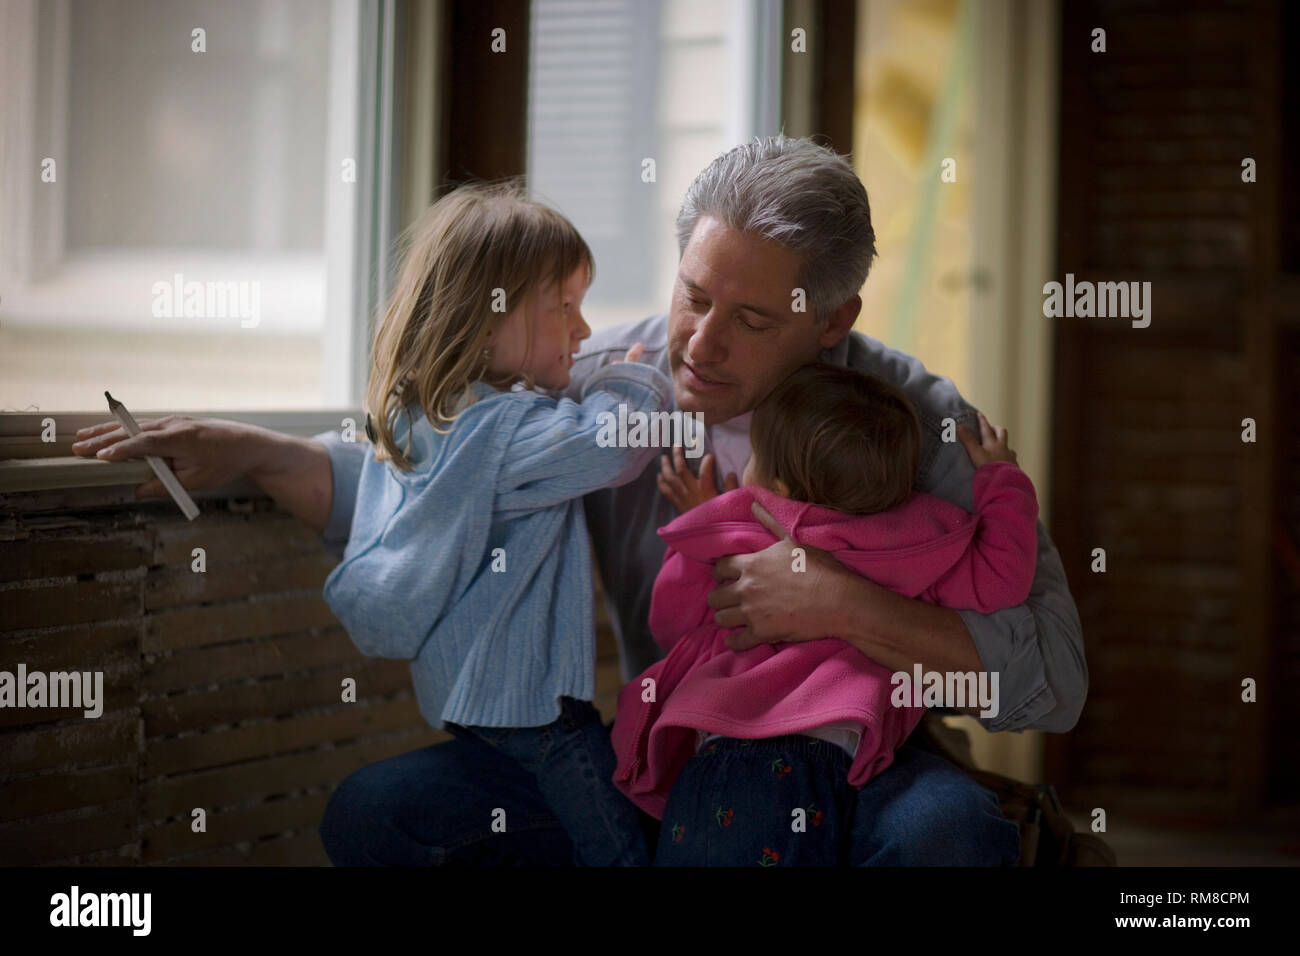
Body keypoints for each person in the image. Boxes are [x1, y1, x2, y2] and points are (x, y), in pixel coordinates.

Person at [71, 135, 1086, 866]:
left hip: (853, 750)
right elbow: (436, 480)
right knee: (379, 814)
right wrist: (249, 448)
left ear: (833, 320)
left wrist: (839, 604)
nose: (699, 346)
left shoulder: (916, 422)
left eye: (748, 320)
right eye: (693, 295)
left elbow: (1052, 681)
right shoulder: (610, 384)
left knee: (950, 834)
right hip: (669, 748)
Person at [319, 182, 668, 865]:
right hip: (545, 718)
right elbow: (616, 445)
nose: (584, 329)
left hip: (470, 710)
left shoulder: (419, 423)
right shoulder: (504, 433)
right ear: (486, 320)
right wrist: (628, 383)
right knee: (617, 852)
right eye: (564, 306)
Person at [618, 363, 1039, 866]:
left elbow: (672, 622)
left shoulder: (741, 525)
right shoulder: (920, 540)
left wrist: (705, 525)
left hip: (740, 751)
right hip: (853, 755)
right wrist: (1004, 480)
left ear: (778, 486)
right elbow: (1003, 577)